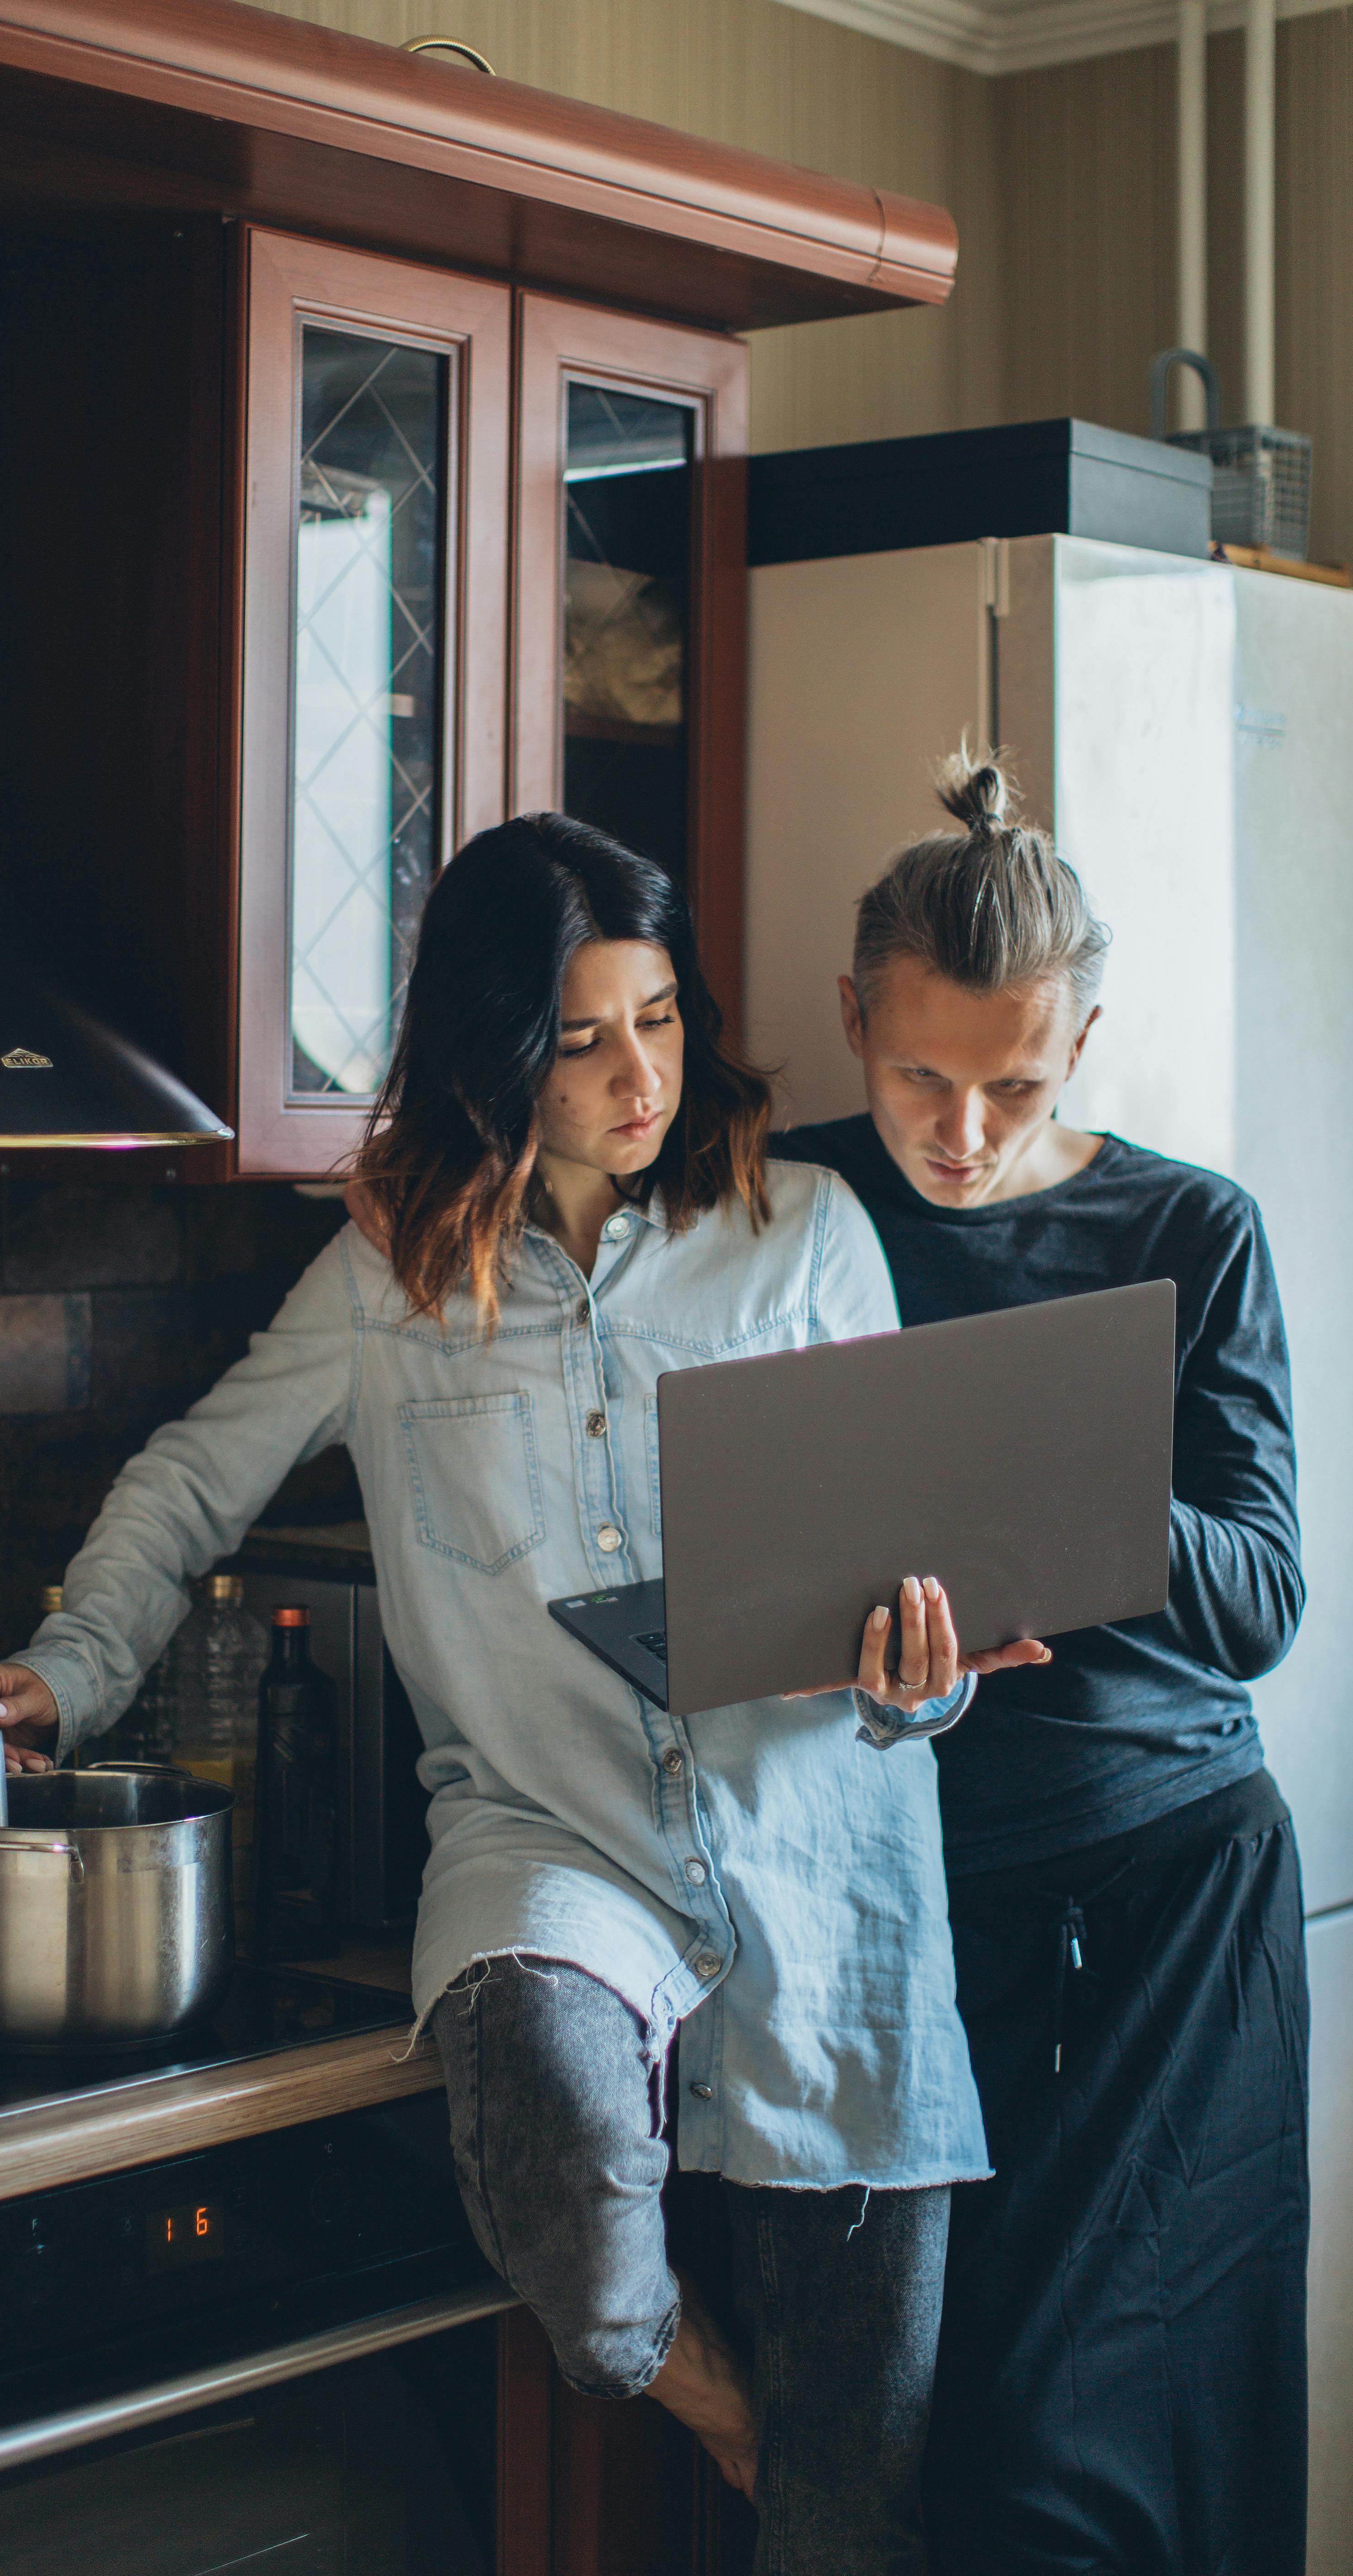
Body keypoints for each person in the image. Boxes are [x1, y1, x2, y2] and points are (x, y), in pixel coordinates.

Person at [0, 812, 1047, 2576]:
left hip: (827, 1874)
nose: (642, 1075)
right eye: (587, 1037)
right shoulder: (387, 1279)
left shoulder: (809, 1234)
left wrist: (923, 1682)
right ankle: (722, 2413)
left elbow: (905, 1597)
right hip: (548, 1844)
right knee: (579, 2226)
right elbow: (191, 1482)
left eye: (664, 1018)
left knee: (864, 2510)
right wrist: (64, 1676)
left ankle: (814, 2485)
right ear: (496, 1055)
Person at [771, 756, 1308, 2576]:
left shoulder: (1192, 1235)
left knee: (1101, 2473)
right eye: (920, 1076)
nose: (965, 1131)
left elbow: (1263, 1596)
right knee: (928, 2461)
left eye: (1017, 1081)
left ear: (1082, 1042)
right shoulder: (779, 1213)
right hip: (896, 1920)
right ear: (853, 1018)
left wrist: (1060, 1476)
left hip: (1168, 1909)